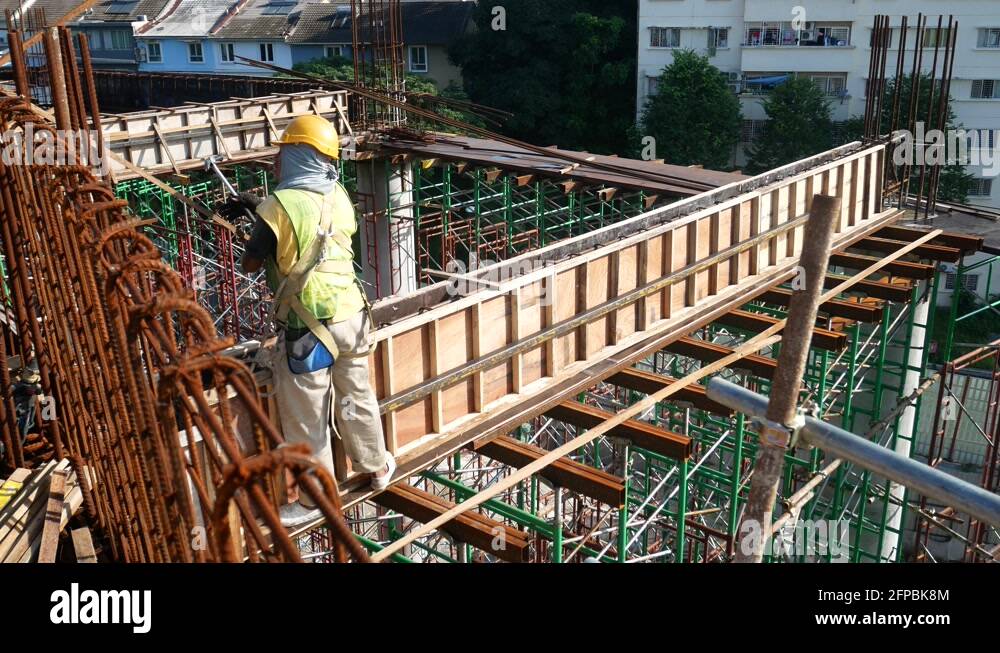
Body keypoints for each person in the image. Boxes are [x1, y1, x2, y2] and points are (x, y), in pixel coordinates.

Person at [224, 114, 395, 528]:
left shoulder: (276, 207)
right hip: (352, 317)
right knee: (357, 399)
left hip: (308, 329)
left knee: (306, 418)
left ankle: (316, 498)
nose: (278, 159)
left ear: (298, 155)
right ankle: (376, 466)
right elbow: (317, 232)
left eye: (284, 151)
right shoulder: (337, 195)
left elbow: (251, 264)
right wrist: (263, 217)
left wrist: (257, 227)